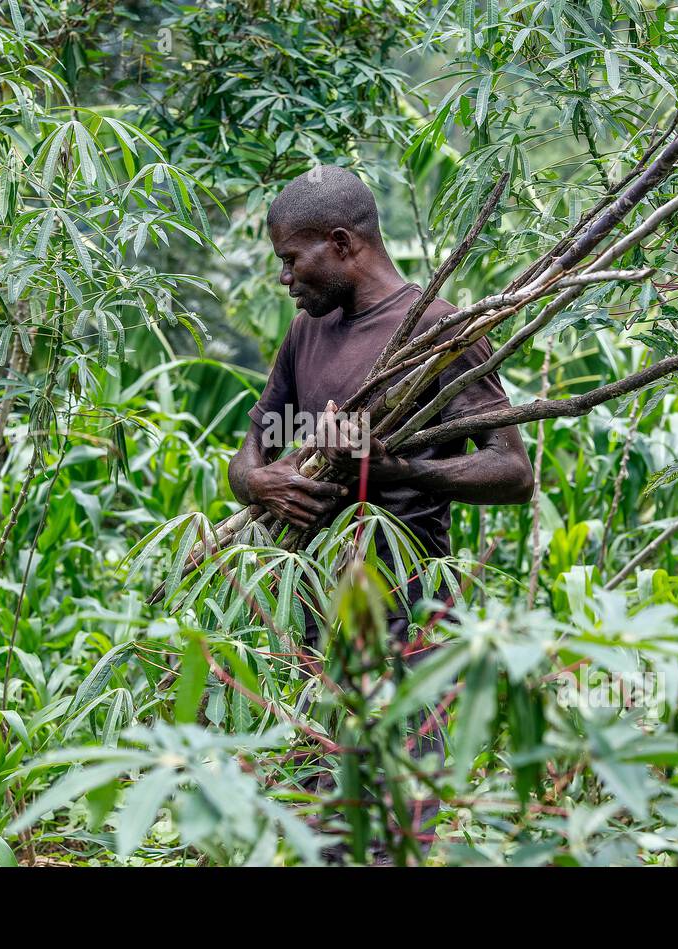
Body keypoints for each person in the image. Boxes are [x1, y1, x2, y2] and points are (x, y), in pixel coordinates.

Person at [227, 164, 534, 644]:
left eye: (291, 258)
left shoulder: (439, 331)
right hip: (314, 615)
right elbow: (250, 453)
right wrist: (259, 483)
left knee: (413, 724)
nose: (285, 278)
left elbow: (514, 474)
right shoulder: (306, 330)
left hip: (411, 616)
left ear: (342, 243)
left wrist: (397, 469)